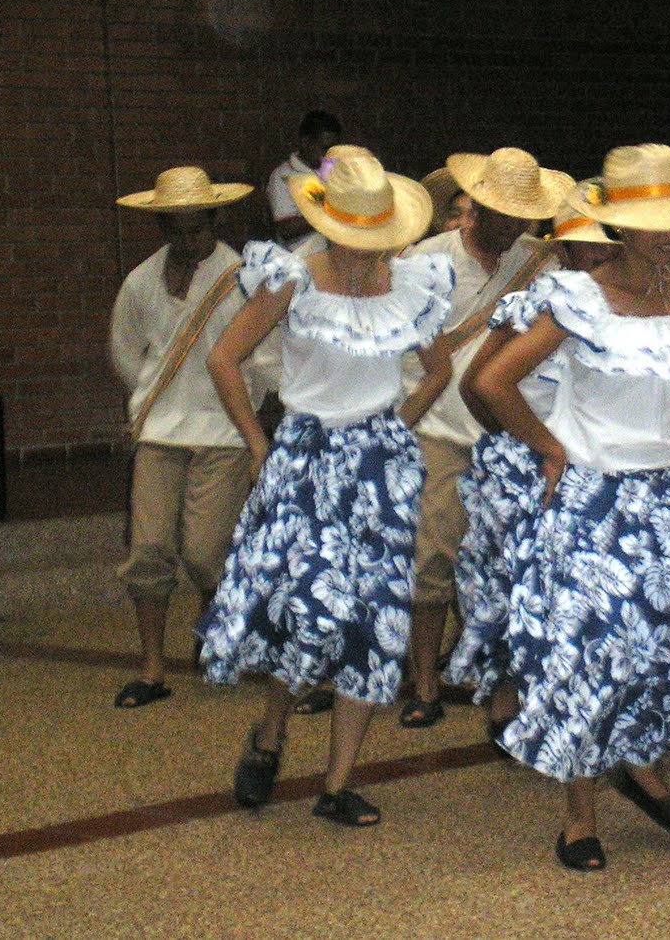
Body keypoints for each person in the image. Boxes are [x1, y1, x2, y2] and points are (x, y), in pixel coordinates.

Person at [467, 144, 670, 871]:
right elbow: (492, 382)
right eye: (650, 222)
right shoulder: (581, 297)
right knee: (591, 654)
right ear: (618, 225)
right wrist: (550, 448)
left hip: (669, 496)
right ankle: (580, 816)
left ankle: (637, 759)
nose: (667, 234)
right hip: (592, 499)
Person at [198, 146, 454, 828]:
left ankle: (337, 784)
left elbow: (438, 370)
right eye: (356, 237)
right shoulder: (293, 279)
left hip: (378, 468)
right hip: (305, 460)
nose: (368, 251)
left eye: (378, 238)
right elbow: (224, 359)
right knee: (306, 610)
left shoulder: (410, 285)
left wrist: (394, 429)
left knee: (375, 621)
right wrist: (260, 445)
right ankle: (270, 734)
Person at [395, 149, 569, 732]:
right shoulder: (425, 261)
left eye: (523, 215)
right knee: (432, 558)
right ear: (475, 207)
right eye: (503, 212)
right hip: (440, 430)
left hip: (508, 435)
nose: (513, 224)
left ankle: (494, 678)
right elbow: (399, 351)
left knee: (505, 563)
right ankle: (424, 680)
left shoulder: (542, 263)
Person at [447, 200, 619, 750]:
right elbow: (477, 385)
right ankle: (505, 701)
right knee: (510, 584)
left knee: (573, 593)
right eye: (585, 246)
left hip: (592, 466)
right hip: (529, 464)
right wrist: (524, 443)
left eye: (607, 245)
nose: (598, 256)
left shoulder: (623, 308)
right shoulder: (531, 305)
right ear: (562, 249)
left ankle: (566, 703)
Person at [108, 167, 263, 709]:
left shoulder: (243, 278)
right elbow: (126, 353)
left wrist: (245, 414)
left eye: (196, 228)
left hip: (223, 431)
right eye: (176, 228)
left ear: (214, 221)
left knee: (205, 551)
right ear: (162, 226)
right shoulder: (141, 280)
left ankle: (214, 625)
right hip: (160, 431)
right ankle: (152, 666)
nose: (187, 239)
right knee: (148, 550)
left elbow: (265, 359)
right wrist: (156, 401)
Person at [266, 110, 341, 249]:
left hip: (337, 257)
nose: (330, 156)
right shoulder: (282, 176)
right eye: (324, 149)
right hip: (301, 259)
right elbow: (286, 229)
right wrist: (330, 211)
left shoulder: (335, 170)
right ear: (306, 142)